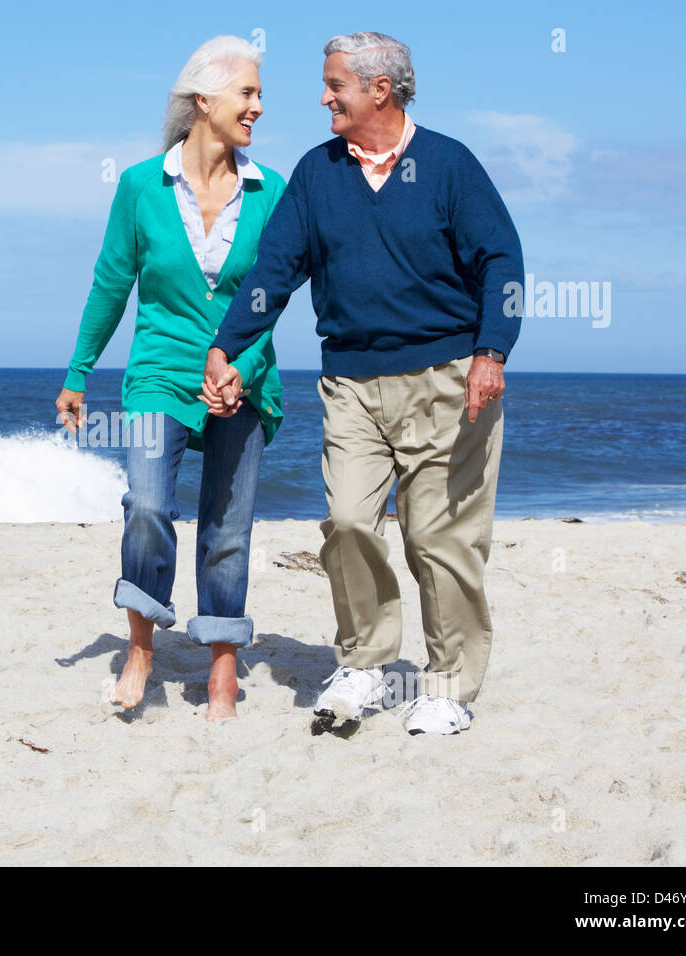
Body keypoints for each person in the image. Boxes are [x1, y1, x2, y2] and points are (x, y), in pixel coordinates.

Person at [205, 32, 525, 734]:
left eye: (335, 85)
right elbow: (273, 273)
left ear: (379, 89)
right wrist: (227, 346)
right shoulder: (318, 174)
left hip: (446, 378)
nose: (323, 96)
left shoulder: (448, 165)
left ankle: (448, 686)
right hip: (350, 381)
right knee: (348, 522)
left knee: (437, 537)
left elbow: (501, 260)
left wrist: (491, 352)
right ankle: (366, 663)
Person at [56, 36, 286, 720]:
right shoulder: (138, 186)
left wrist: (241, 368)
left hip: (243, 382)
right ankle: (142, 648)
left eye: (258, 94)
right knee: (150, 506)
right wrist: (77, 372)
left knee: (227, 528)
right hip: (159, 374)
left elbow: (270, 297)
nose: (258, 107)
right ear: (202, 101)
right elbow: (111, 283)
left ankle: (220, 671)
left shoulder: (270, 191)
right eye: (247, 93)